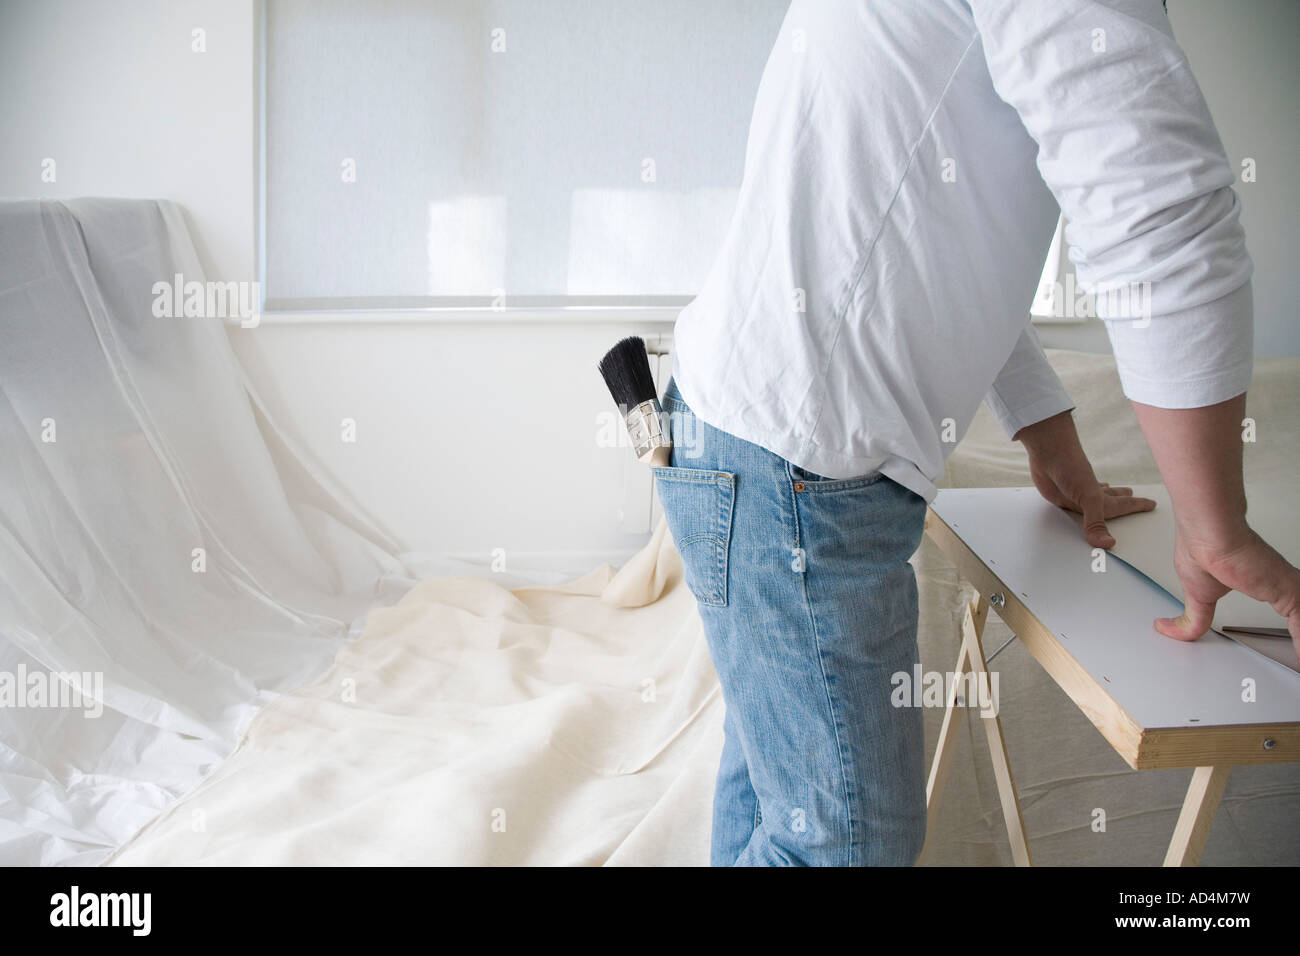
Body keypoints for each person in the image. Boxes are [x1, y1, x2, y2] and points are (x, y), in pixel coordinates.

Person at [652, 0, 1300, 867]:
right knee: (848, 848)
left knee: (783, 800)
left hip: (734, 426)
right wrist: (1215, 528)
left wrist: (1053, 444)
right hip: (793, 463)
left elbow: (932, 253)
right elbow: (1158, 217)